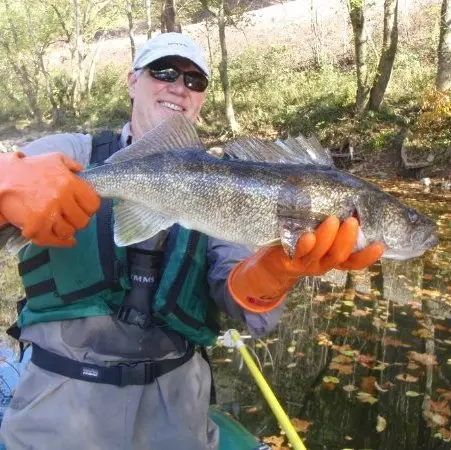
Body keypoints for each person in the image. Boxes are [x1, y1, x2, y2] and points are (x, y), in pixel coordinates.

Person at [0, 32, 384, 449]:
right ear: (132, 81)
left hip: (176, 405)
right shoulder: (67, 153)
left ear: (200, 99)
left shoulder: (223, 185)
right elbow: (16, 176)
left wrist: (276, 271)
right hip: (60, 399)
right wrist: (7, 184)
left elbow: (250, 309)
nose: (178, 86)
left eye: (194, 81)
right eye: (163, 72)